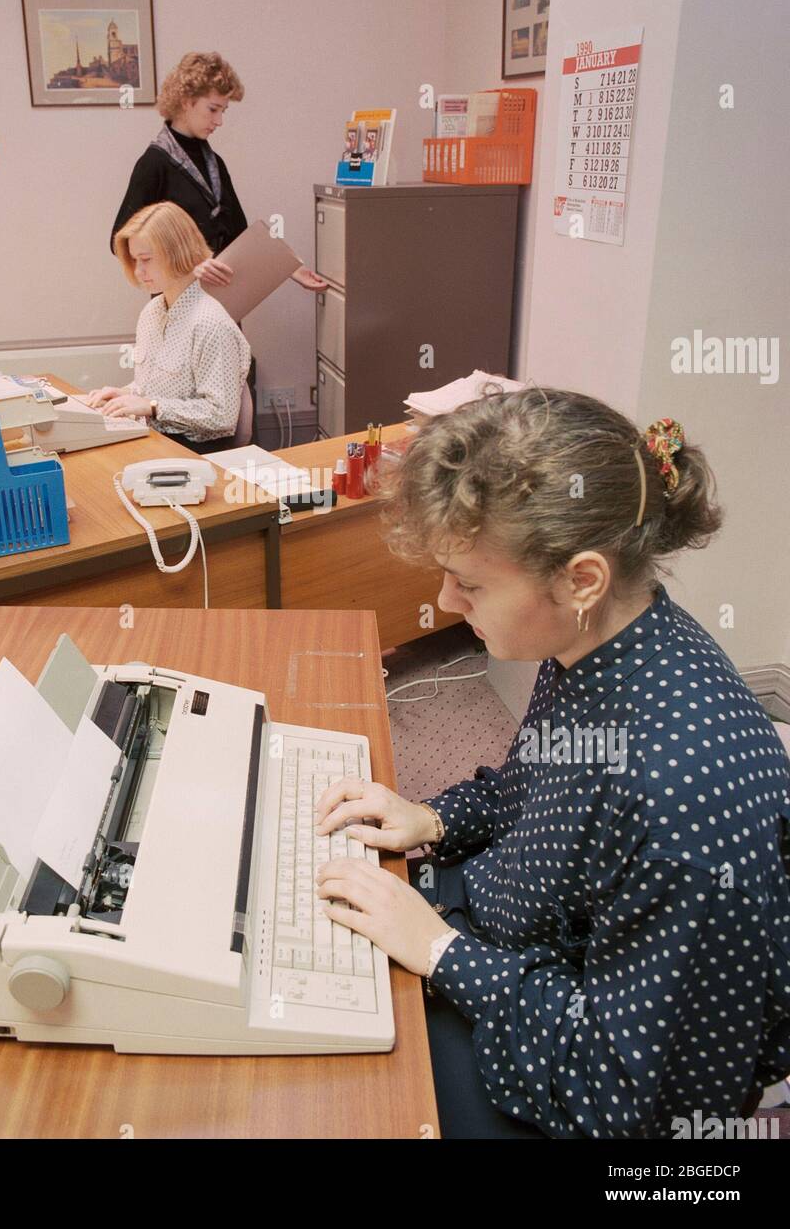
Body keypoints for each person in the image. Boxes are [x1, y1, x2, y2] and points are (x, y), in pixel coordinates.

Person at [314, 386, 790, 1139]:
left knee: (340, 1097)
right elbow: (534, 786)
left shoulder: (681, 811)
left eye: (470, 583)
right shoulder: (598, 641)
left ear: (582, 579)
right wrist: (432, 818)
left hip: (579, 1077)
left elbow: (630, 1103)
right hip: (516, 946)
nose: (445, 601)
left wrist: (440, 952)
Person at [111, 50, 326, 297]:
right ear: (186, 101)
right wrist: (191, 267)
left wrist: (292, 268)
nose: (220, 121)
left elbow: (241, 235)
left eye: (223, 111)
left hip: (221, 297)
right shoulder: (154, 163)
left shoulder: (215, 164)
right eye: (213, 109)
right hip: (178, 299)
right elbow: (120, 241)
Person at [87, 201, 250, 455]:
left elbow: (222, 415)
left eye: (146, 260)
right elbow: (156, 387)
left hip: (195, 452)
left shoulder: (212, 324)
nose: (138, 271)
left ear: (177, 253)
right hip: (155, 439)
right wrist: (124, 394)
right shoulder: (152, 312)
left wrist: (152, 406)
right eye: (135, 260)